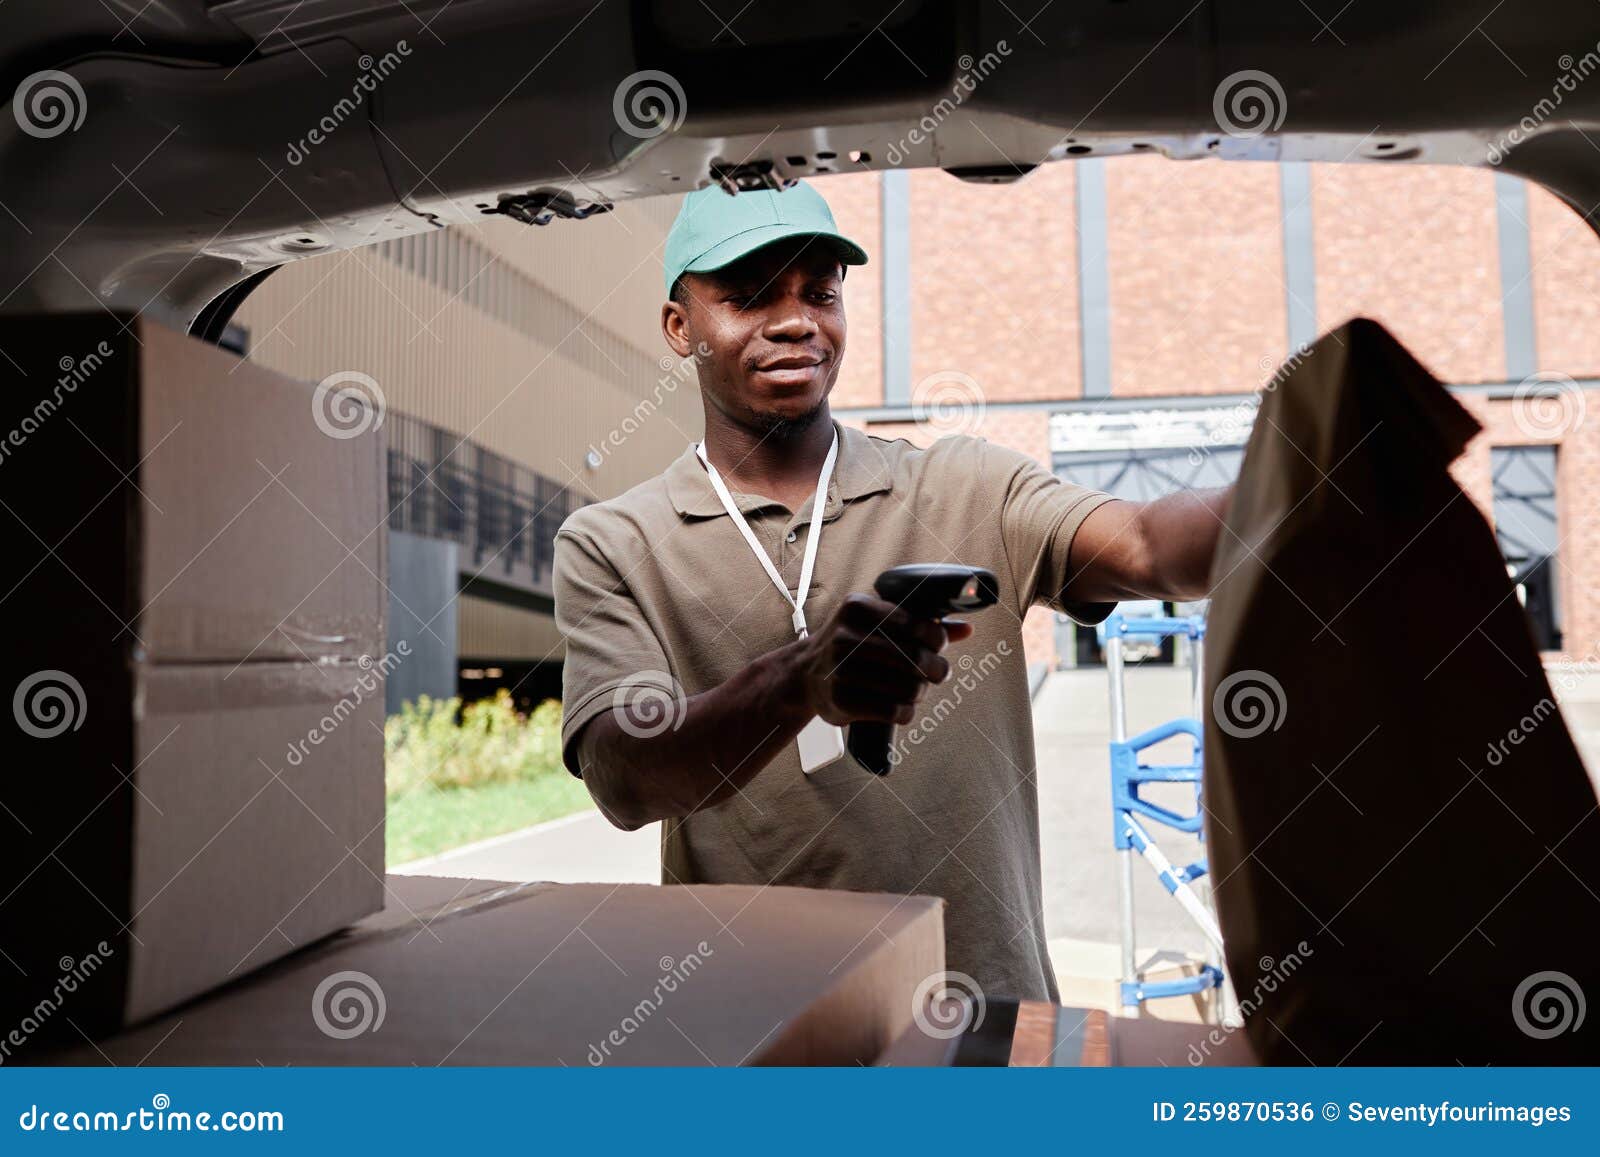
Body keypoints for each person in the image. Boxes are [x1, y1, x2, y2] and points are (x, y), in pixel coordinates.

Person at [554, 179, 1229, 1003]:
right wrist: (800, 682)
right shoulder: (613, 543)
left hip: (983, 1024)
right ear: (679, 326)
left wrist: (1300, 488)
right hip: (748, 1037)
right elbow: (625, 778)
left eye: (819, 293)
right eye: (749, 296)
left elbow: (1152, 545)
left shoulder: (970, 485)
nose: (797, 320)